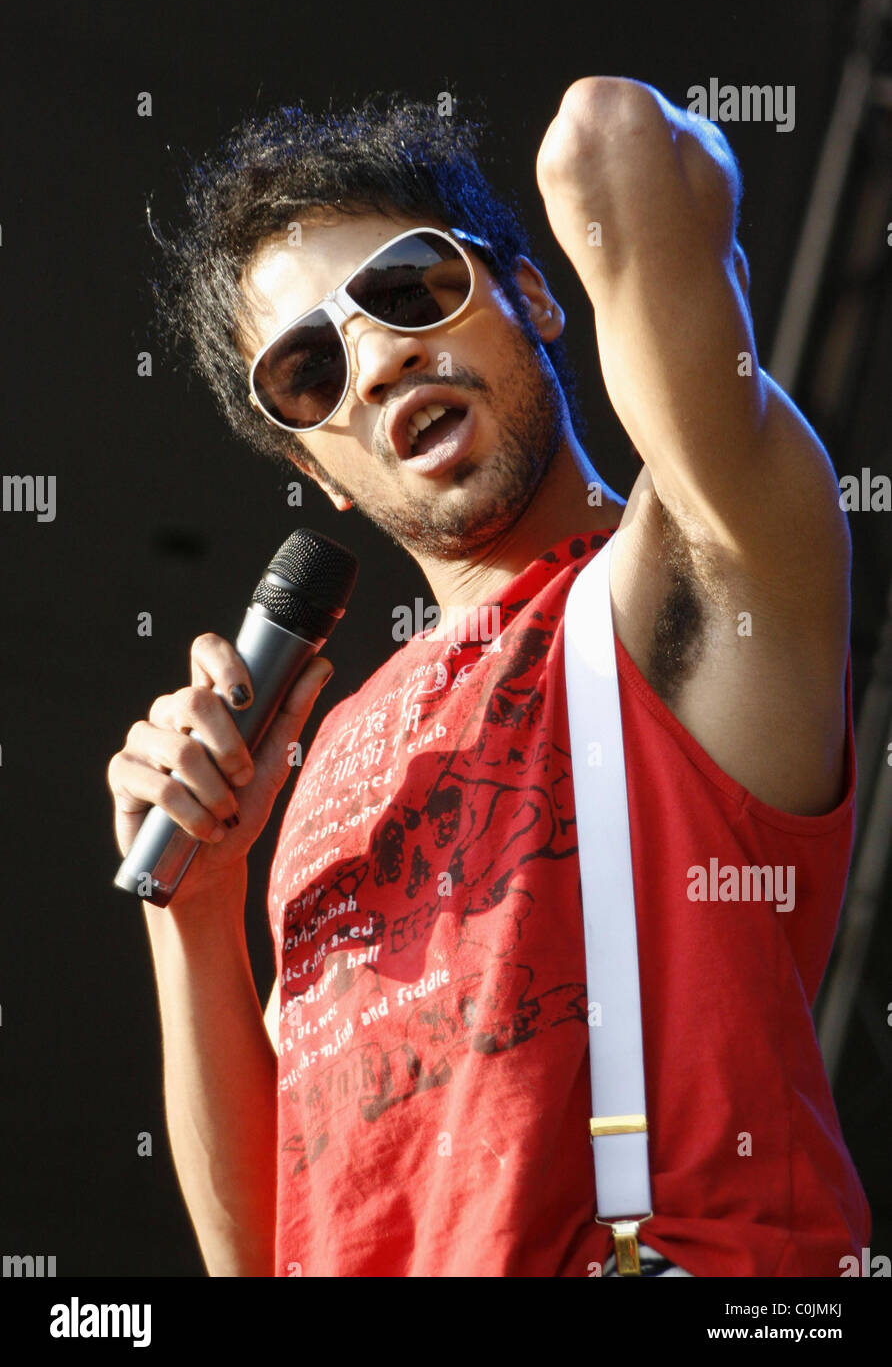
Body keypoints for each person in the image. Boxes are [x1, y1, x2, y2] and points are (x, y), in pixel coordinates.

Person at [107, 79, 870, 1277]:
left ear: (530, 295)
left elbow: (612, 141)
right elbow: (261, 1254)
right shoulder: (325, 769)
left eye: (408, 289)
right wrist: (196, 909)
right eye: (308, 369)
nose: (373, 359)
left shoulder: (685, 570)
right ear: (325, 476)